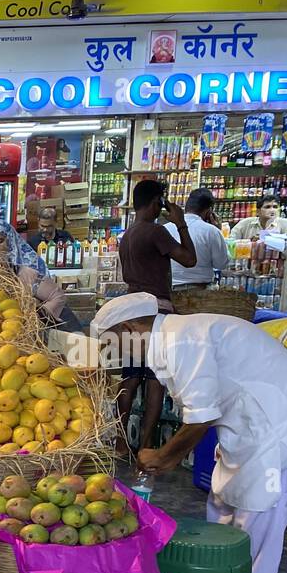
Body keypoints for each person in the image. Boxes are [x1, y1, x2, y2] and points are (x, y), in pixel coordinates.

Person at [91, 293, 287, 573]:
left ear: (128, 328)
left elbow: (201, 416)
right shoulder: (173, 338)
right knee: (223, 514)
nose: (106, 349)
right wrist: (166, 455)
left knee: (256, 528)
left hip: (276, 425)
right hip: (246, 425)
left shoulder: (181, 341)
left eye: (107, 340)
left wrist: (165, 455)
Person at [115, 179, 197, 456]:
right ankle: (146, 443)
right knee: (154, 379)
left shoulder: (128, 235)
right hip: (155, 312)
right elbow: (189, 259)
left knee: (130, 376)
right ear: (156, 203)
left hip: (131, 309)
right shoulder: (156, 232)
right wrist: (181, 223)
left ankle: (120, 441)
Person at [0, 210, 82, 332]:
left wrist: (38, 317)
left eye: (0, 241)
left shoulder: (25, 270)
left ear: (11, 241)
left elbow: (57, 296)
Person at [165, 188, 230, 289]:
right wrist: (219, 232)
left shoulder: (165, 228)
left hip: (169, 288)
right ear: (209, 211)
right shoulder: (211, 231)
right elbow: (221, 264)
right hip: (199, 291)